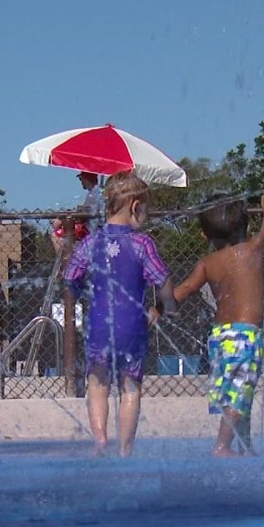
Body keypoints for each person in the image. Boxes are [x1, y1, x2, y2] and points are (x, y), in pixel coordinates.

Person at [63, 171, 175, 457]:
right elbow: (163, 281)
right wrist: (166, 307)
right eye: (146, 210)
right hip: (133, 327)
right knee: (130, 388)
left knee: (97, 384)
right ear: (136, 207)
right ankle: (125, 449)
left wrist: (84, 296)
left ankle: (100, 440)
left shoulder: (91, 243)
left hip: (99, 324)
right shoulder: (142, 244)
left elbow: (69, 277)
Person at [170, 191, 264, 457]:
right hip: (246, 336)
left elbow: (185, 289)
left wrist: (158, 308)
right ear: (246, 226)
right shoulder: (253, 249)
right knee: (240, 393)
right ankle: (222, 445)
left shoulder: (207, 263)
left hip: (220, 337)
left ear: (204, 236)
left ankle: (244, 445)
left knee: (239, 394)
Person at [52, 171, 100, 251]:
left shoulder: (93, 194)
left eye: (81, 179)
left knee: (55, 234)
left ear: (86, 179)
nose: (81, 182)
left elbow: (84, 215)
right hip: (91, 227)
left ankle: (64, 258)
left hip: (88, 229)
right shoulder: (98, 192)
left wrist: (74, 214)